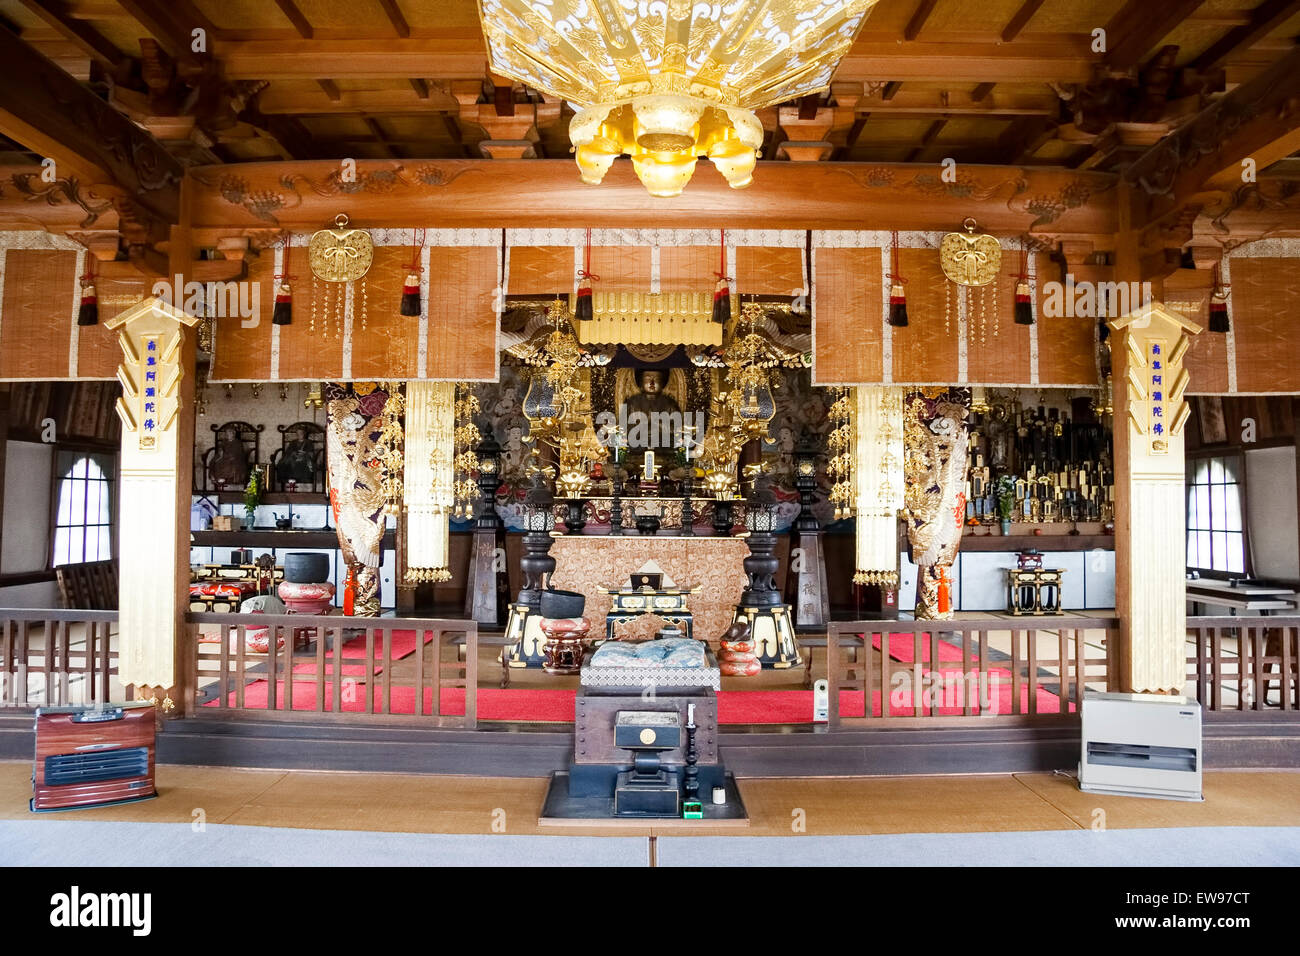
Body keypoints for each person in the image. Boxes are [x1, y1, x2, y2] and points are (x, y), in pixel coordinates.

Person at [621, 368, 681, 473]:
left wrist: (657, 423)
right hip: (637, 448)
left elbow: (677, 430)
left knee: (674, 453)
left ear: (662, 383)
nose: (652, 383)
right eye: (647, 378)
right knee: (625, 452)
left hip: (663, 448)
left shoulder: (669, 403)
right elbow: (624, 428)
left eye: (656, 379)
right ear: (640, 383)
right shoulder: (632, 403)